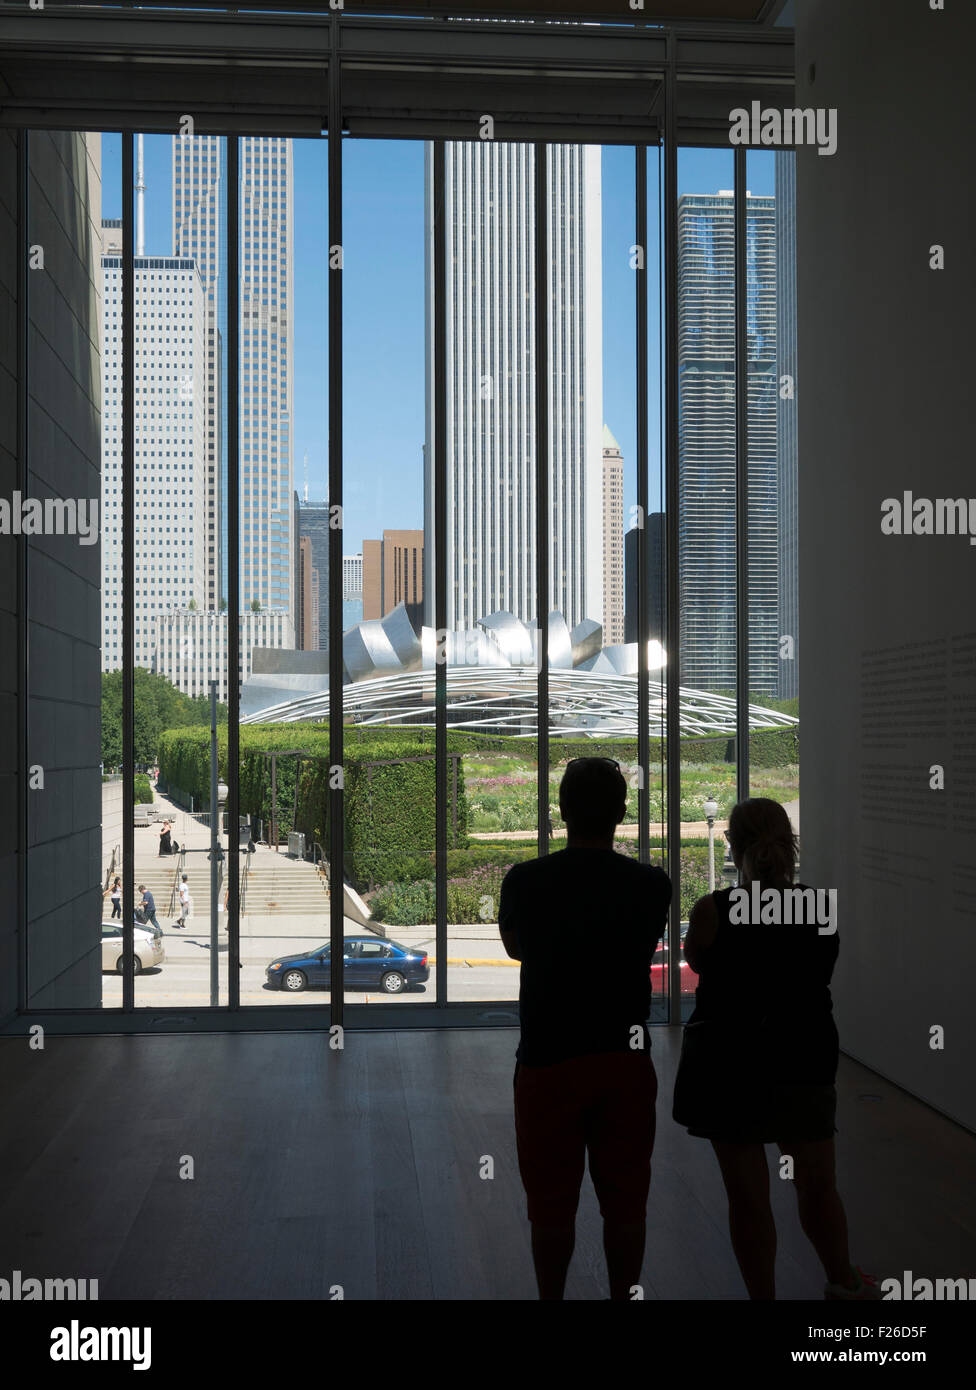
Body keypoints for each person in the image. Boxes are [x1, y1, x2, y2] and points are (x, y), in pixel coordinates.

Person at [675, 796, 879, 1302]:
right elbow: (818, 974)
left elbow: (697, 965)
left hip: (729, 1066)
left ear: (730, 844)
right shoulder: (819, 908)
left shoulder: (712, 911)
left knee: (747, 1199)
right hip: (802, 1058)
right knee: (817, 1186)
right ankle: (845, 1281)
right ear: (788, 843)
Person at [499, 757, 672, 1301]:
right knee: (625, 1202)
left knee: (550, 1206)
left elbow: (515, 949)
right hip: (624, 1061)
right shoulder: (651, 885)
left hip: (548, 1059)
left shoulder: (525, 881)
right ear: (622, 812)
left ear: (561, 810)